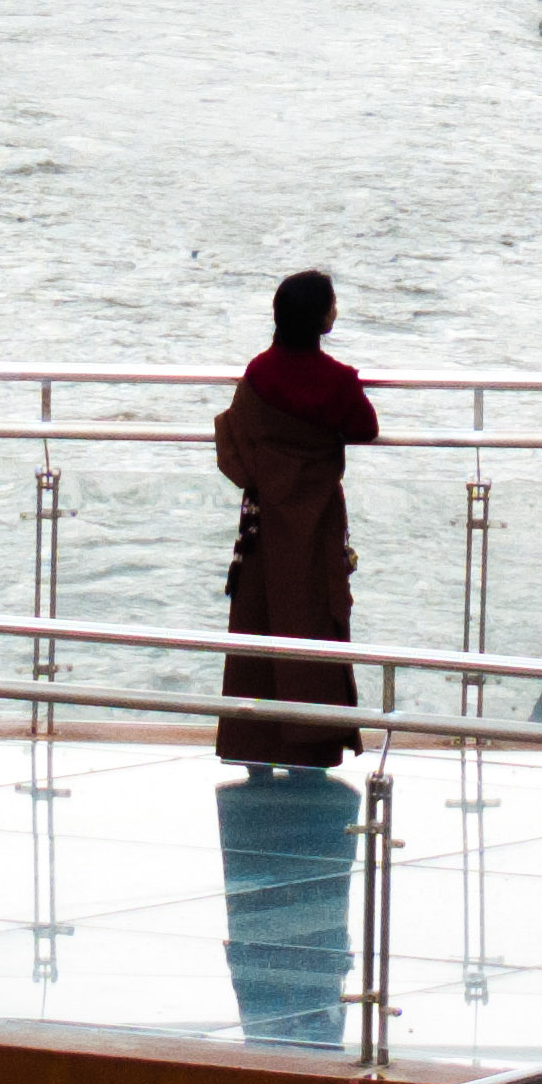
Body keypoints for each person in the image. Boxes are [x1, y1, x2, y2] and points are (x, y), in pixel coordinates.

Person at [212, 267, 377, 767]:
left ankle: (252, 742)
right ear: (322, 320)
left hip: (264, 523)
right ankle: (315, 742)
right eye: (333, 304)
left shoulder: (259, 374)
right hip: (317, 523)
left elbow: (232, 446)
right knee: (314, 625)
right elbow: (365, 428)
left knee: (258, 624)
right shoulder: (339, 383)